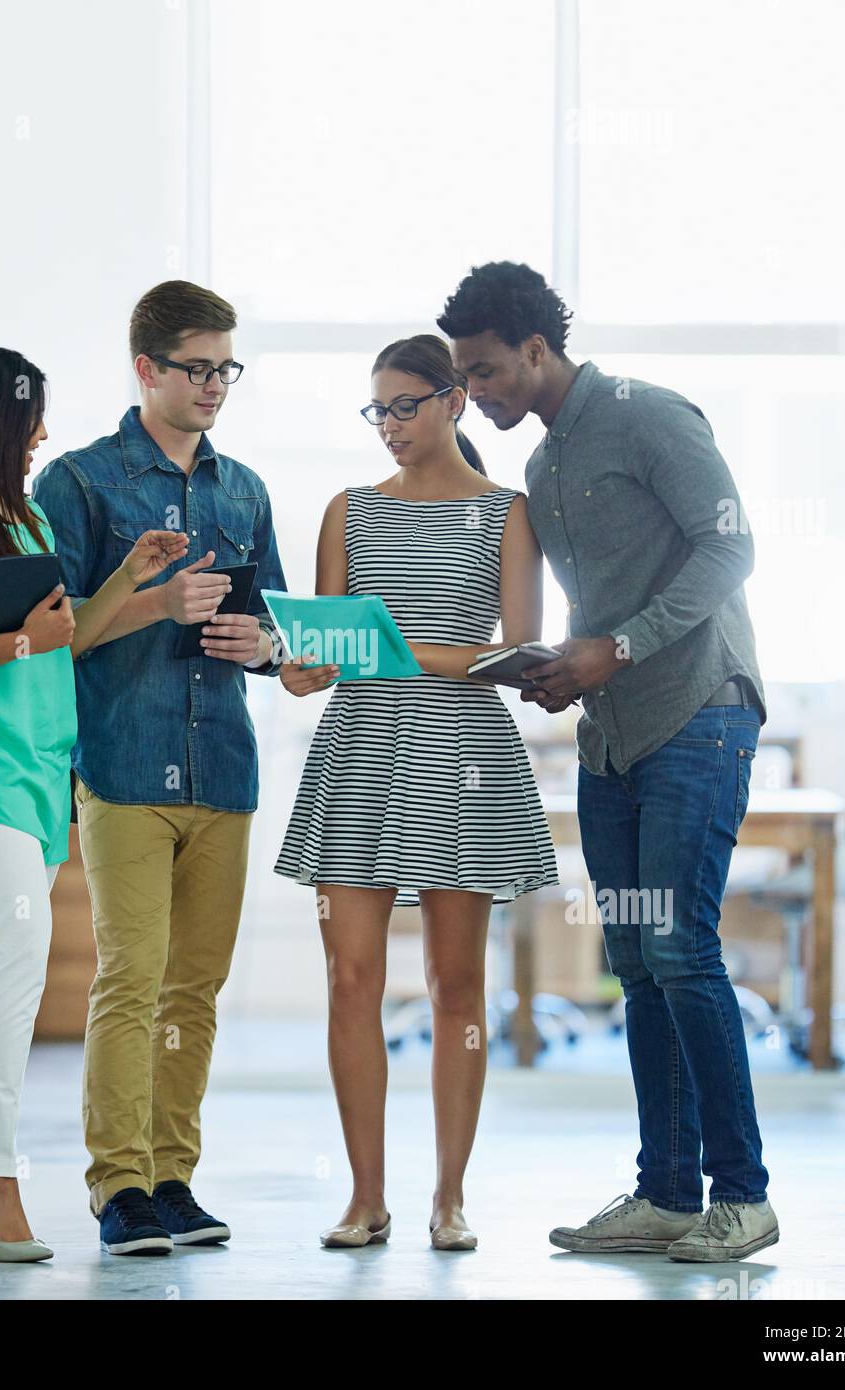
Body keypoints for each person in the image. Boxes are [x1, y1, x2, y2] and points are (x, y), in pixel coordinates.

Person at [438, 261, 778, 1262]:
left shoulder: (649, 416)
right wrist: (559, 668)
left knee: (681, 948)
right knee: (633, 960)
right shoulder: (541, 472)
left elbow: (732, 552)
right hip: (612, 738)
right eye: (466, 376)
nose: (479, 392)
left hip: (699, 716)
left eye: (488, 371)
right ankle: (668, 1191)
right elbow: (582, 621)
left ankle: (743, 1194)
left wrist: (615, 648)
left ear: (536, 349)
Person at [0, 344, 184, 1262]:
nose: (42, 435)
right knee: (15, 971)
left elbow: (65, 638)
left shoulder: (16, 521)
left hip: (33, 774)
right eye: (30, 419)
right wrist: (19, 642)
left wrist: (128, 577)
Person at [274, 333, 558, 1251]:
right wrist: (300, 666)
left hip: (464, 767)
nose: (390, 427)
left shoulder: (508, 512)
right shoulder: (346, 511)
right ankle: (366, 1198)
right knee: (350, 982)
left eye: (406, 406)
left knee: (455, 985)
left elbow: (521, 655)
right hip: (358, 755)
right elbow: (315, 661)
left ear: (454, 403)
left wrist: (395, 649)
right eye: (378, 410)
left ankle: (450, 1198)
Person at [32, 281, 288, 1256]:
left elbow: (274, 633)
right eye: (197, 367)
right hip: (125, 762)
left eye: (227, 367)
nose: (216, 384)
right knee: (132, 977)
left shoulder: (246, 491)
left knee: (195, 988)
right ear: (146, 367)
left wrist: (258, 646)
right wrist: (152, 598)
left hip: (223, 763)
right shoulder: (80, 483)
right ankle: (119, 1185)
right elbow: (47, 636)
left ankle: (174, 1175)